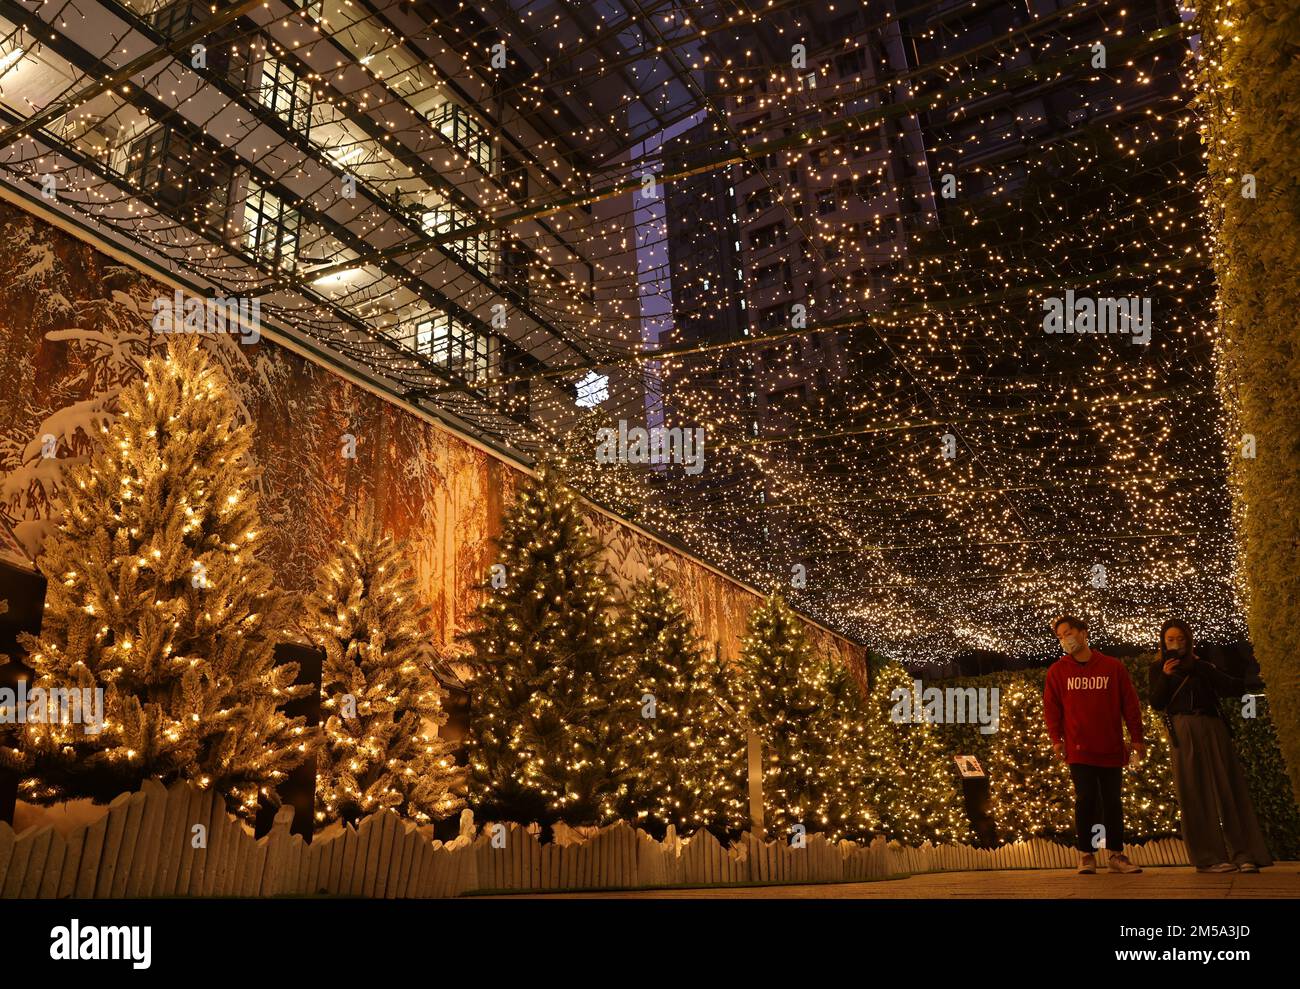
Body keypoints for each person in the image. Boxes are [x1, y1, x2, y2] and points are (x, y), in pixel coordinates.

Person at [1149, 619, 1272, 873]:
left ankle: (1244, 853)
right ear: (1163, 641)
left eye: (1180, 639)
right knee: (1193, 792)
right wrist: (1165, 677)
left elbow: (1231, 686)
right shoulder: (1159, 668)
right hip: (1183, 728)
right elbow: (1157, 702)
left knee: (1228, 787)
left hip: (1212, 726)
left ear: (1189, 639)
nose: (1176, 644)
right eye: (1170, 639)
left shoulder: (1202, 666)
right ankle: (1208, 858)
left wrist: (1256, 669)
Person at [1043, 615, 1146, 874]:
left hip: (1111, 747)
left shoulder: (1112, 667)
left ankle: (1116, 855)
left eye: (1068, 632)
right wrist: (1056, 740)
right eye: (1060, 636)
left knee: (1113, 801)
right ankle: (1086, 854)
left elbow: (1130, 705)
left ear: (1083, 632)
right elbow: (1051, 709)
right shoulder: (1058, 671)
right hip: (1078, 750)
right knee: (1085, 799)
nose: (1064, 639)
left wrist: (1137, 740)